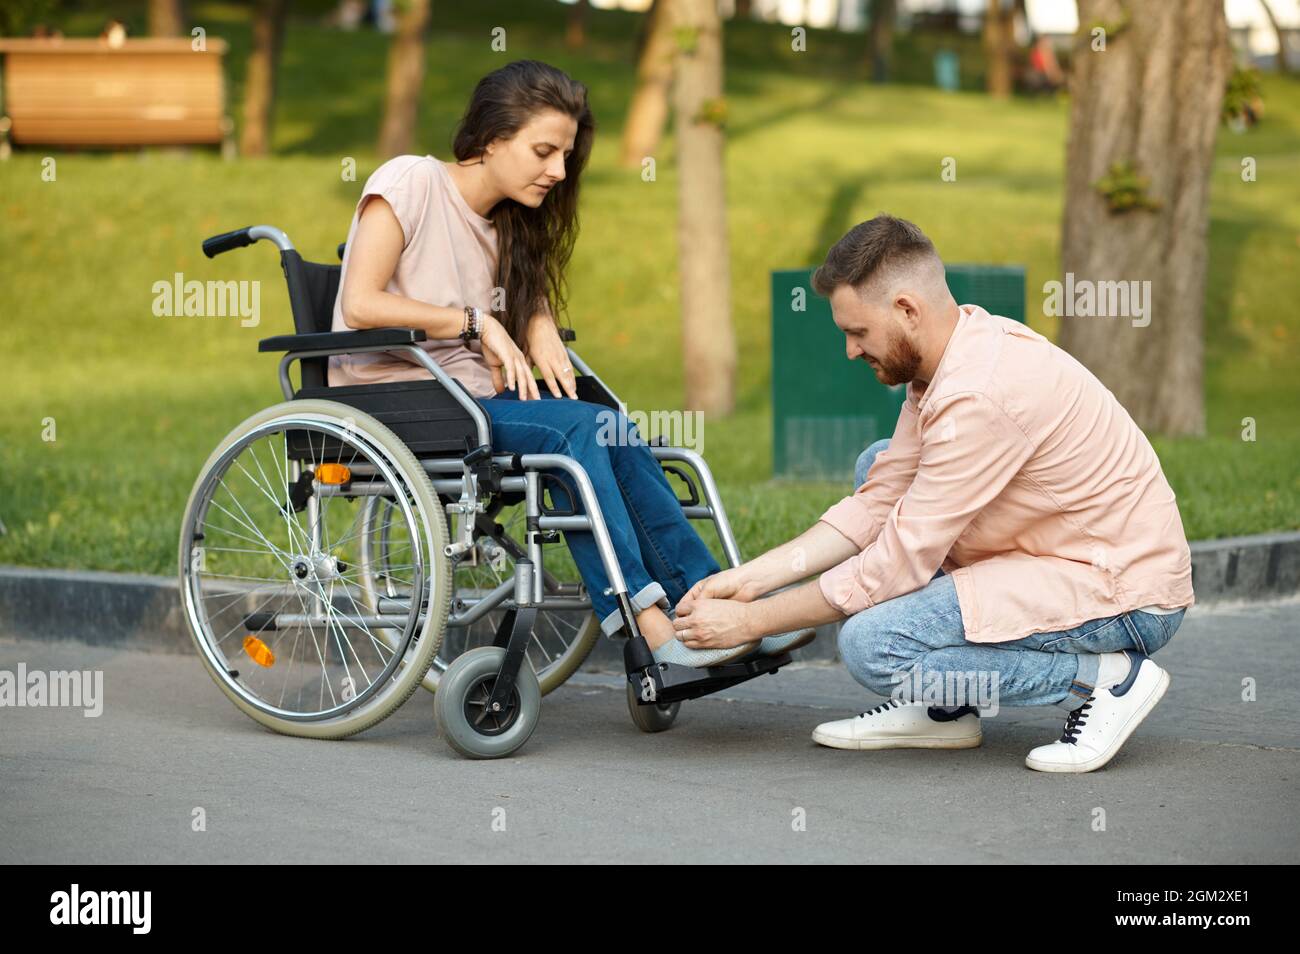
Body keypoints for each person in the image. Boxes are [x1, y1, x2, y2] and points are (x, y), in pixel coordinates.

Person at [329, 59, 812, 668]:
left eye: (565, 154)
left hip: (473, 400)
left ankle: (715, 607)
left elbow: (516, 298)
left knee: (609, 425)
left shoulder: (509, 221)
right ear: (492, 139)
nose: (558, 170)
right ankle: (644, 619)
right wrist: (477, 325)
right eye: (543, 151)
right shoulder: (410, 182)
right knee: (576, 429)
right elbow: (361, 302)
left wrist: (536, 323)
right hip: (400, 397)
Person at [672, 214, 1194, 772]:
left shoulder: (980, 395)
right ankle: (947, 709)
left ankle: (1108, 678)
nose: (850, 350)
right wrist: (747, 580)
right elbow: (879, 500)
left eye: (857, 332)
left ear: (906, 310)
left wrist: (750, 623)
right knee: (877, 463)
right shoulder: (949, 356)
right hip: (1051, 556)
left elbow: (892, 565)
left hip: (1124, 591)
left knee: (873, 647)